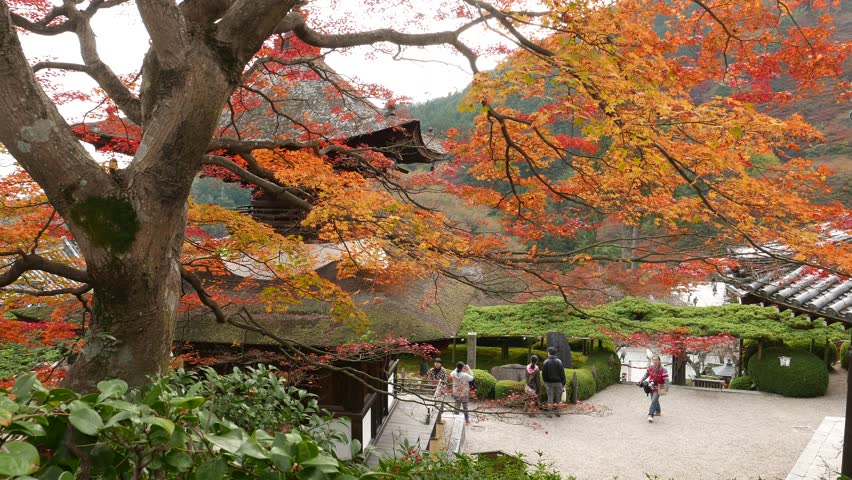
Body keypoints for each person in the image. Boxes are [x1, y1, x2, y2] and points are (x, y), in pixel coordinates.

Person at [639, 354, 670, 423]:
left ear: (659, 360)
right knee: (654, 399)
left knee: (653, 400)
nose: (655, 361)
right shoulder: (650, 367)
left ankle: (650, 415)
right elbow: (646, 375)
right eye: (653, 360)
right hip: (651, 385)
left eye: (656, 360)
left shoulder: (663, 369)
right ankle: (658, 411)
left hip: (660, 386)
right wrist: (641, 380)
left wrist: (667, 388)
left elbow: (666, 380)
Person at [541, 347, 566, 416]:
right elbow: (562, 373)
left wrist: (545, 381)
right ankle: (558, 412)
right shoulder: (559, 361)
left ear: (549, 353)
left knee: (550, 397)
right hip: (558, 383)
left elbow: (544, 374)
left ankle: (549, 413)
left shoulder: (546, 362)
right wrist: (563, 383)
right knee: (558, 397)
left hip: (549, 383)